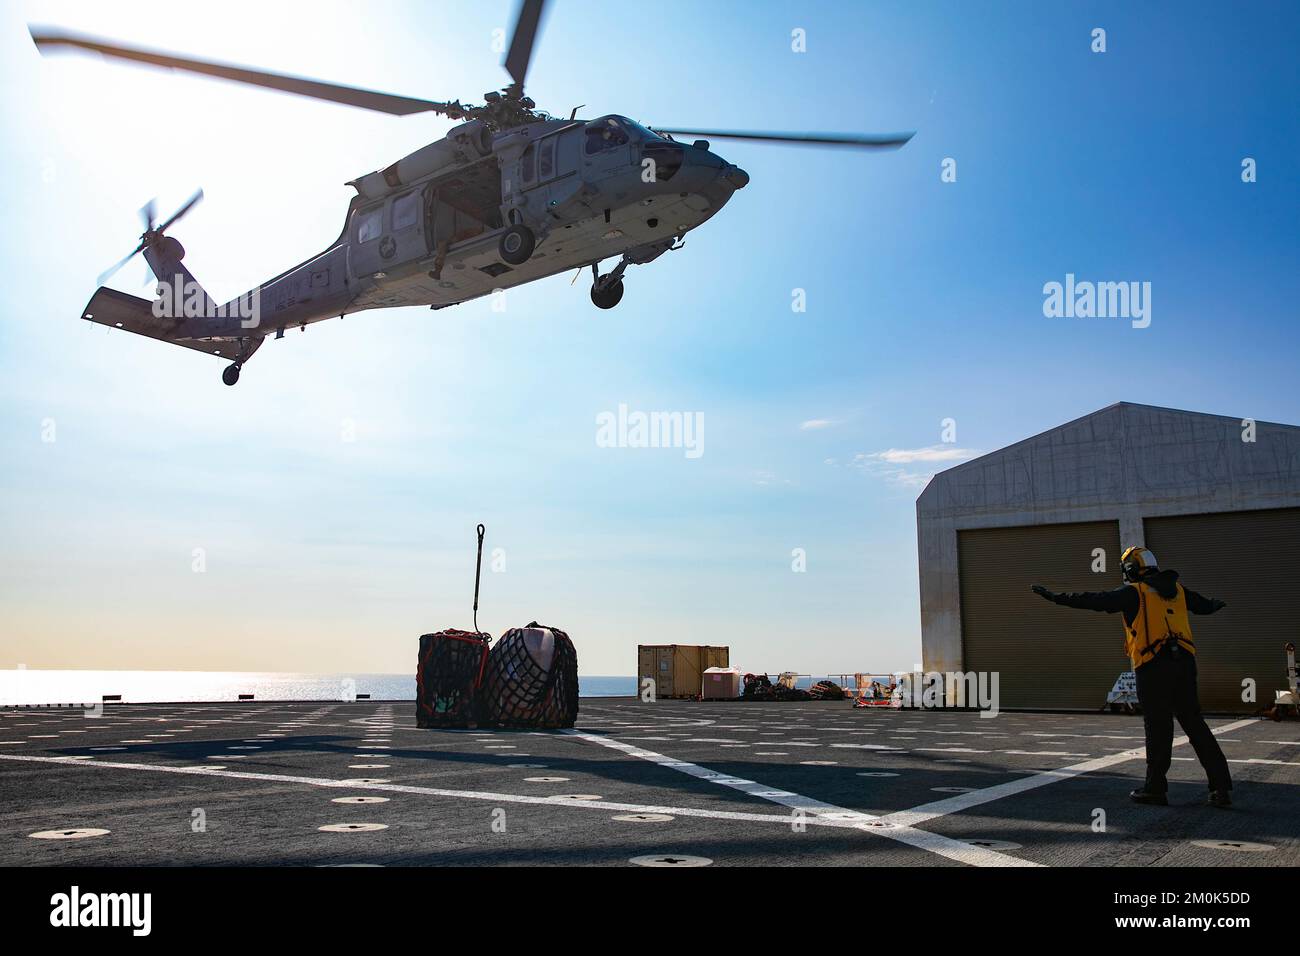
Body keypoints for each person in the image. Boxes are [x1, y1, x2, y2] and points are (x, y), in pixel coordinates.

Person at [1031, 546, 1232, 808]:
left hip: (1153, 665)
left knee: (1158, 728)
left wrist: (1057, 598)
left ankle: (1155, 789)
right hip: (1184, 663)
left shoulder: (1133, 593)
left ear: (1131, 569)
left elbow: (1095, 600)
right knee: (1195, 725)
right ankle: (1221, 788)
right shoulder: (1180, 591)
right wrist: (1215, 604)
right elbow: (1204, 606)